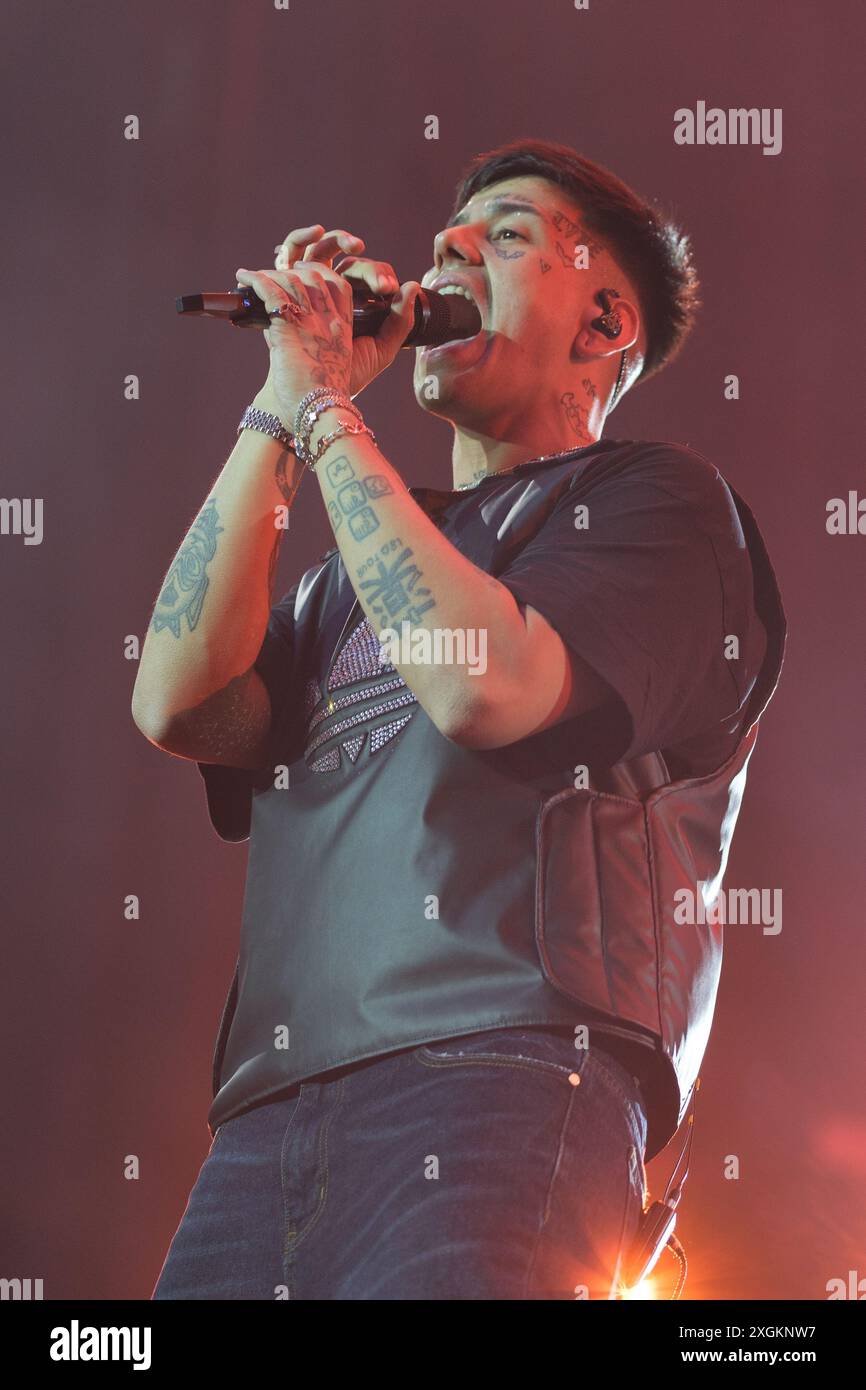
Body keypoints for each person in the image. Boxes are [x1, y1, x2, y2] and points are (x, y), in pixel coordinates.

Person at [133, 138, 786, 1300]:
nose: (450, 246)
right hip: (264, 1123)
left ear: (602, 327)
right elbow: (177, 700)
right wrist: (283, 403)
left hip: (502, 1079)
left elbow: (485, 684)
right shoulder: (351, 576)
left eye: (511, 234)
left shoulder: (657, 503)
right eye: (453, 231)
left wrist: (330, 412)